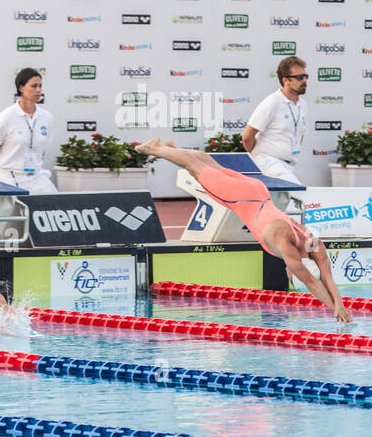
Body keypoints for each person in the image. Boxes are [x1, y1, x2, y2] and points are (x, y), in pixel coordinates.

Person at [139, 138, 352, 322]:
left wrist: (340, 304)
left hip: (257, 190)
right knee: (194, 167)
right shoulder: (286, 247)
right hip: (239, 197)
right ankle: (154, 149)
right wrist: (334, 308)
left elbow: (326, 277)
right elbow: (312, 281)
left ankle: (173, 148)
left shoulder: (312, 241)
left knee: (207, 165)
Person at [0, 68, 58, 194]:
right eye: (34, 86)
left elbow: (41, 150)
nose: (39, 90)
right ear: (21, 88)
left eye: (40, 86)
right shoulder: (5, 117)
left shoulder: (47, 117)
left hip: (37, 177)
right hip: (8, 178)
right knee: (16, 211)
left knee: (56, 204)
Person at [241, 55, 309, 185]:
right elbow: (247, 137)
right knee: (299, 195)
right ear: (286, 80)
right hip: (269, 163)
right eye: (300, 77)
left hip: (288, 166)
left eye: (306, 76)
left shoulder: (303, 105)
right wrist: (261, 158)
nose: (304, 80)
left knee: (284, 203)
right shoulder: (272, 102)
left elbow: (299, 136)